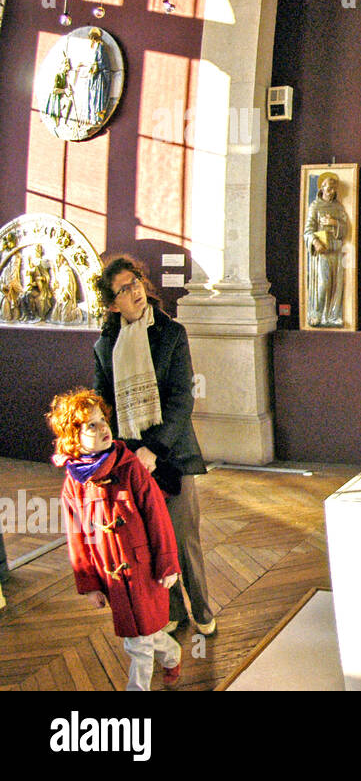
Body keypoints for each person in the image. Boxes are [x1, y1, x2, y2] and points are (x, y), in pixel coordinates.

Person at [92, 255, 216, 637]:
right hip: (130, 460)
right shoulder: (105, 345)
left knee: (182, 539)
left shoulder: (171, 333)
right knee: (152, 541)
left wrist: (155, 448)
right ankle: (174, 609)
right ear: (112, 304)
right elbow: (104, 401)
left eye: (137, 282)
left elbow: (181, 399)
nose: (135, 291)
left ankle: (203, 609)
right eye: (124, 289)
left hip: (172, 453)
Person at [47, 388, 183, 690]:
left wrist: (168, 564)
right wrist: (89, 584)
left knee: (139, 643)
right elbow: (78, 537)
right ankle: (172, 653)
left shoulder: (130, 467)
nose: (103, 428)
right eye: (91, 426)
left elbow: (157, 516)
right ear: (73, 437)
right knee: (141, 632)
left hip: (145, 570)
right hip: (113, 577)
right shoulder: (75, 483)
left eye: (102, 421)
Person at [303, 171, 349, 327]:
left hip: (335, 249)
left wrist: (335, 223)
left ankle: (331, 316)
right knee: (324, 283)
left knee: (336, 284)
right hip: (322, 248)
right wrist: (315, 242)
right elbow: (308, 230)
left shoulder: (338, 206)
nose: (332, 191)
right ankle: (316, 314)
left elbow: (345, 229)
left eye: (334, 189)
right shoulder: (315, 206)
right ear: (322, 188)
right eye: (329, 188)